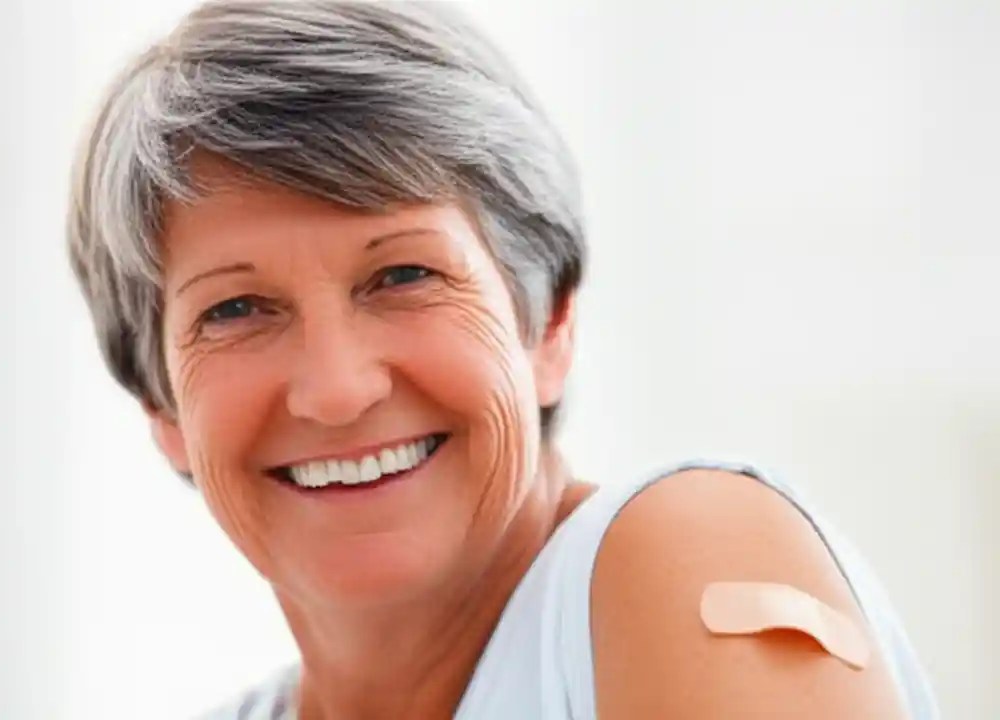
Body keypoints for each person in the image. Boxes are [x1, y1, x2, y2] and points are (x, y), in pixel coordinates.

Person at [66, 2, 937, 717]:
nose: (337, 390)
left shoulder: (692, 550)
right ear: (162, 409)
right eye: (237, 309)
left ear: (549, 328)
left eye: (404, 275)